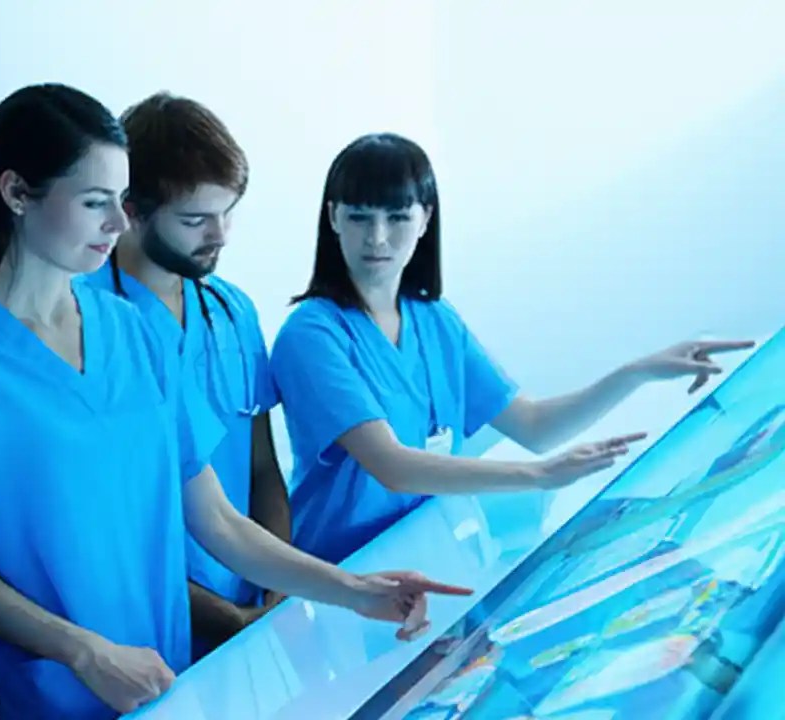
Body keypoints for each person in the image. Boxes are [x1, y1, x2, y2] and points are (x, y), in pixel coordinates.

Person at [0, 83, 472, 720]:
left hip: (170, 680)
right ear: (18, 193)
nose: (118, 224)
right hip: (52, 695)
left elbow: (216, 520)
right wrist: (82, 652)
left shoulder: (132, 332)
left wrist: (353, 590)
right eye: (96, 203)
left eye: (121, 203)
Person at [270, 132, 756, 565]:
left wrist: (637, 372)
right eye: (359, 217)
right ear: (334, 217)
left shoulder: (434, 319)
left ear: (425, 220)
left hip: (431, 554)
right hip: (342, 577)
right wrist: (540, 475)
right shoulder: (312, 334)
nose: (377, 237)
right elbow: (392, 466)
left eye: (397, 216)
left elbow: (535, 425)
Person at [82, 92, 288, 657]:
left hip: (254, 614)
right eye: (196, 219)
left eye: (228, 212)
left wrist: (275, 591)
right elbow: (106, 526)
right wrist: (225, 617)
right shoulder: (82, 323)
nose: (220, 235)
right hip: (149, 630)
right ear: (132, 211)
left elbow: (263, 468)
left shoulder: (232, 311)